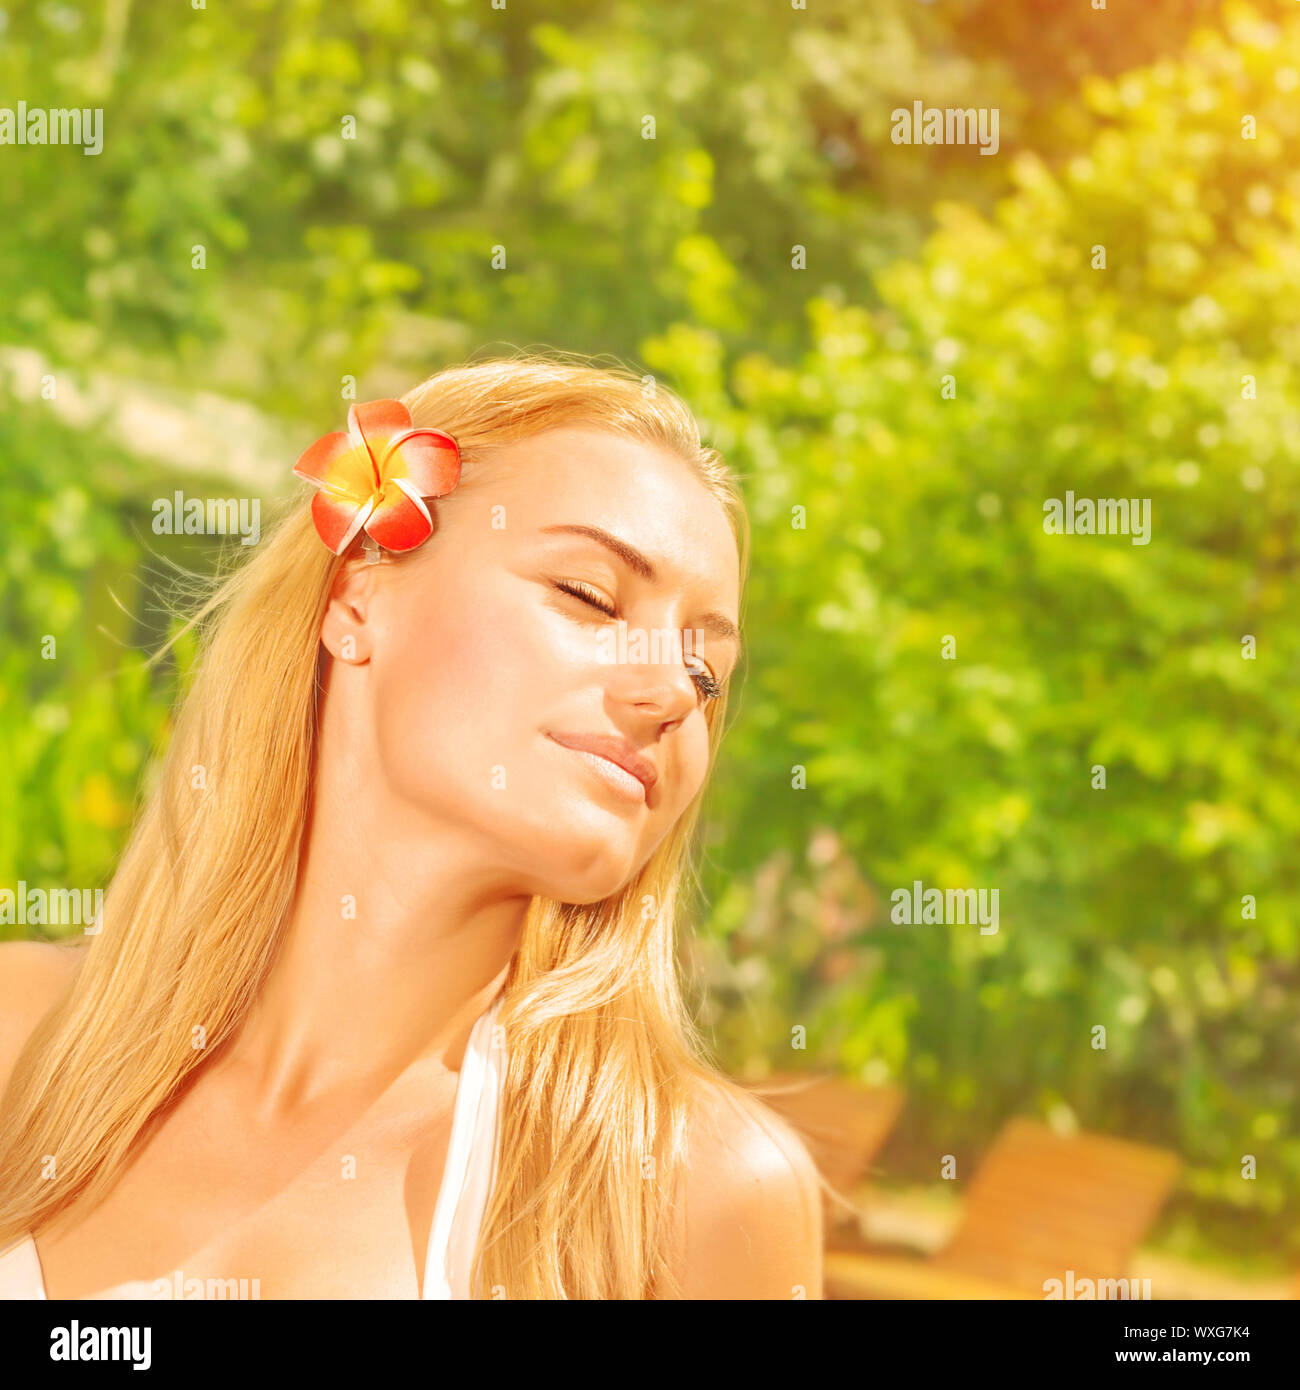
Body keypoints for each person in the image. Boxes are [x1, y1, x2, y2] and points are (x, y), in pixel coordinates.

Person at [0, 352, 823, 1299]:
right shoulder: (23, 1038)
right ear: (359, 596)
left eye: (707, 672)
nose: (674, 692)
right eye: (591, 597)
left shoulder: (688, 1195)